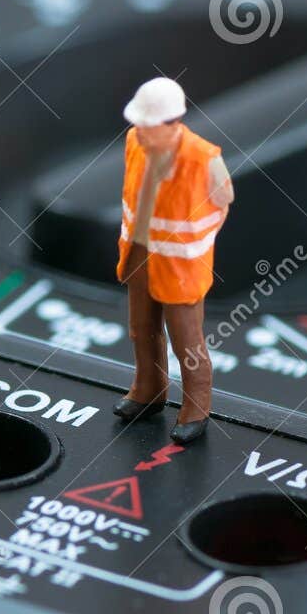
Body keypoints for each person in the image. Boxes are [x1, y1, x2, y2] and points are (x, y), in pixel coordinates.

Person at [113, 77, 233, 444]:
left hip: (180, 267)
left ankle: (196, 408)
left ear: (171, 123)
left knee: (187, 342)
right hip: (137, 254)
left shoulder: (203, 157)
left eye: (149, 126)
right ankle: (148, 390)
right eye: (140, 125)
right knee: (141, 330)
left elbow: (223, 200)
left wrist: (195, 243)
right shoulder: (135, 142)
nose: (141, 133)